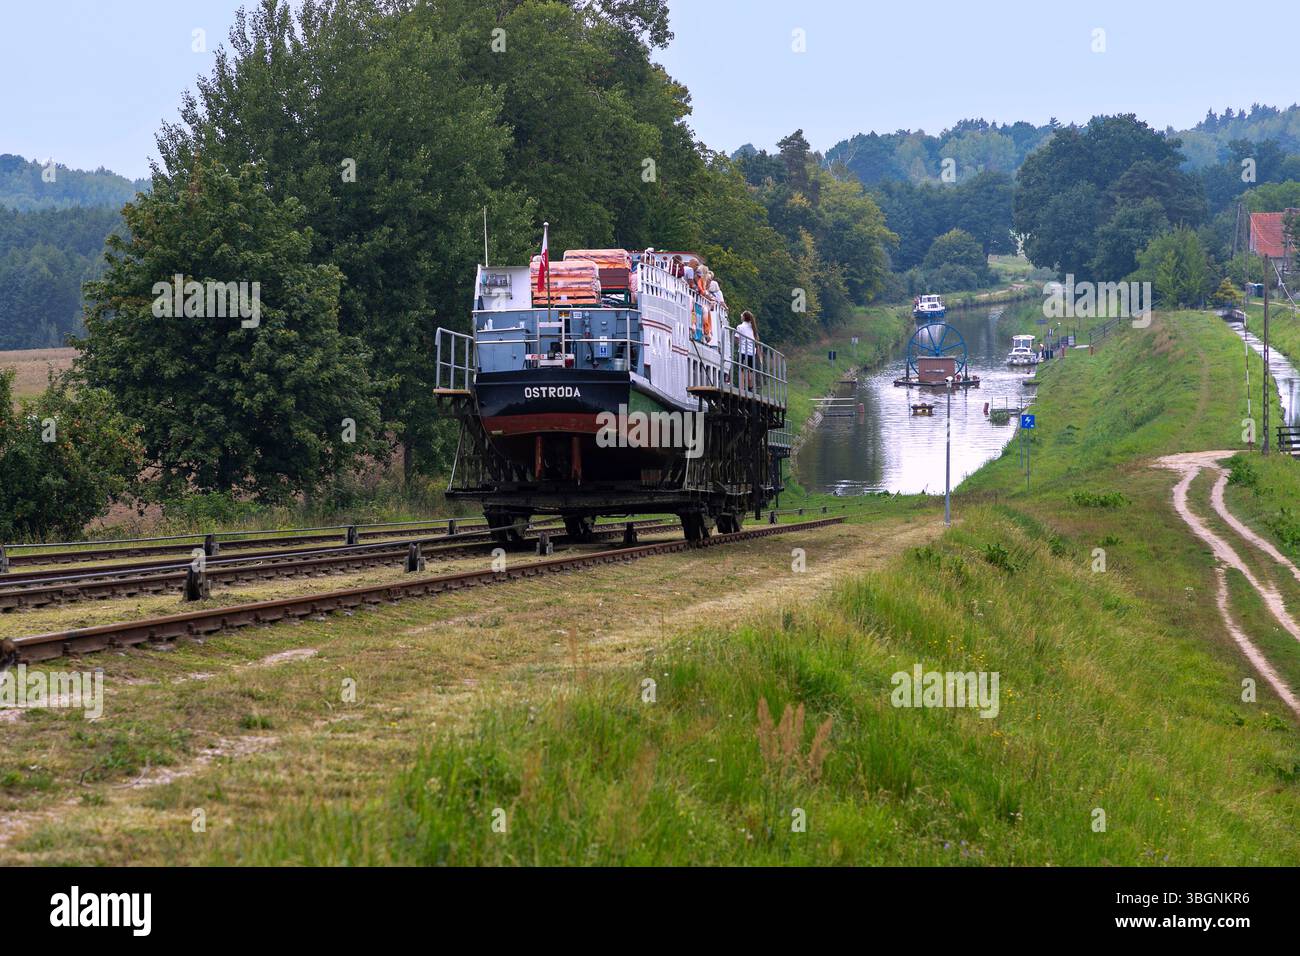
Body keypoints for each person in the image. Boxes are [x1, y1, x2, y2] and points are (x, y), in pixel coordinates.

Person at [735, 310, 757, 390]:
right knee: (750, 370)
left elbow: (737, 338)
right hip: (751, 352)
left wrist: (738, 343)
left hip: (743, 351)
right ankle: (750, 387)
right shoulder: (753, 327)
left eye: (741, 315)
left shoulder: (740, 327)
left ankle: (741, 388)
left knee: (741, 369)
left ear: (744, 317)